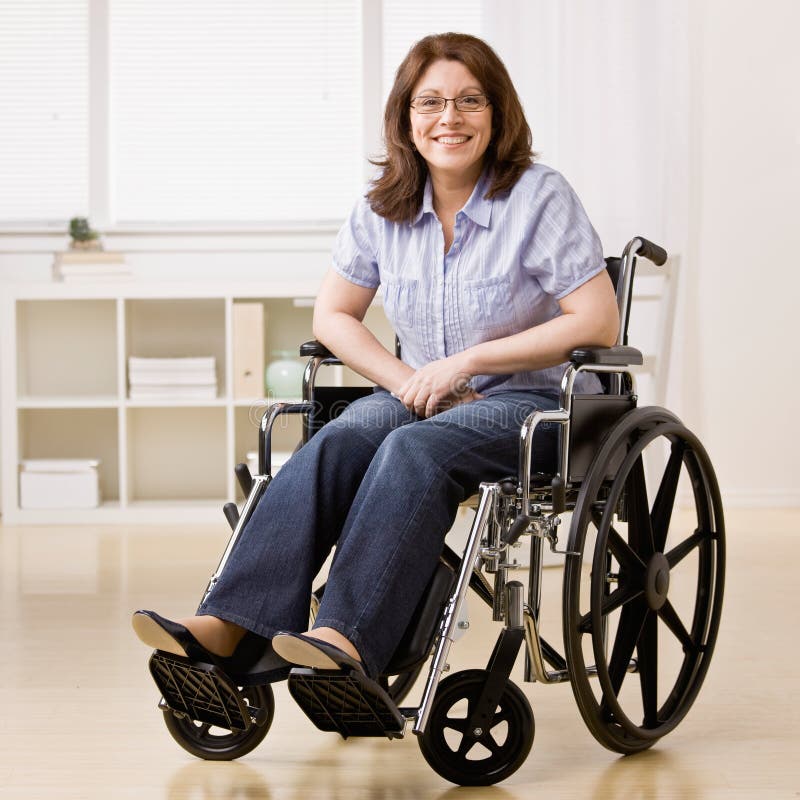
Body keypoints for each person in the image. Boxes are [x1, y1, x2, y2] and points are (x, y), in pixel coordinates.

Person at [132, 32, 619, 680]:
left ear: (497, 113)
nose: (450, 118)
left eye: (470, 101)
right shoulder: (383, 207)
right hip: (422, 394)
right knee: (338, 441)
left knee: (411, 449)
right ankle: (234, 623)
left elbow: (598, 320)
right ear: (406, 117)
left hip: (529, 405)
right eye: (432, 102)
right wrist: (413, 380)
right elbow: (332, 314)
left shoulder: (537, 195)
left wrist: (465, 363)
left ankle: (347, 637)